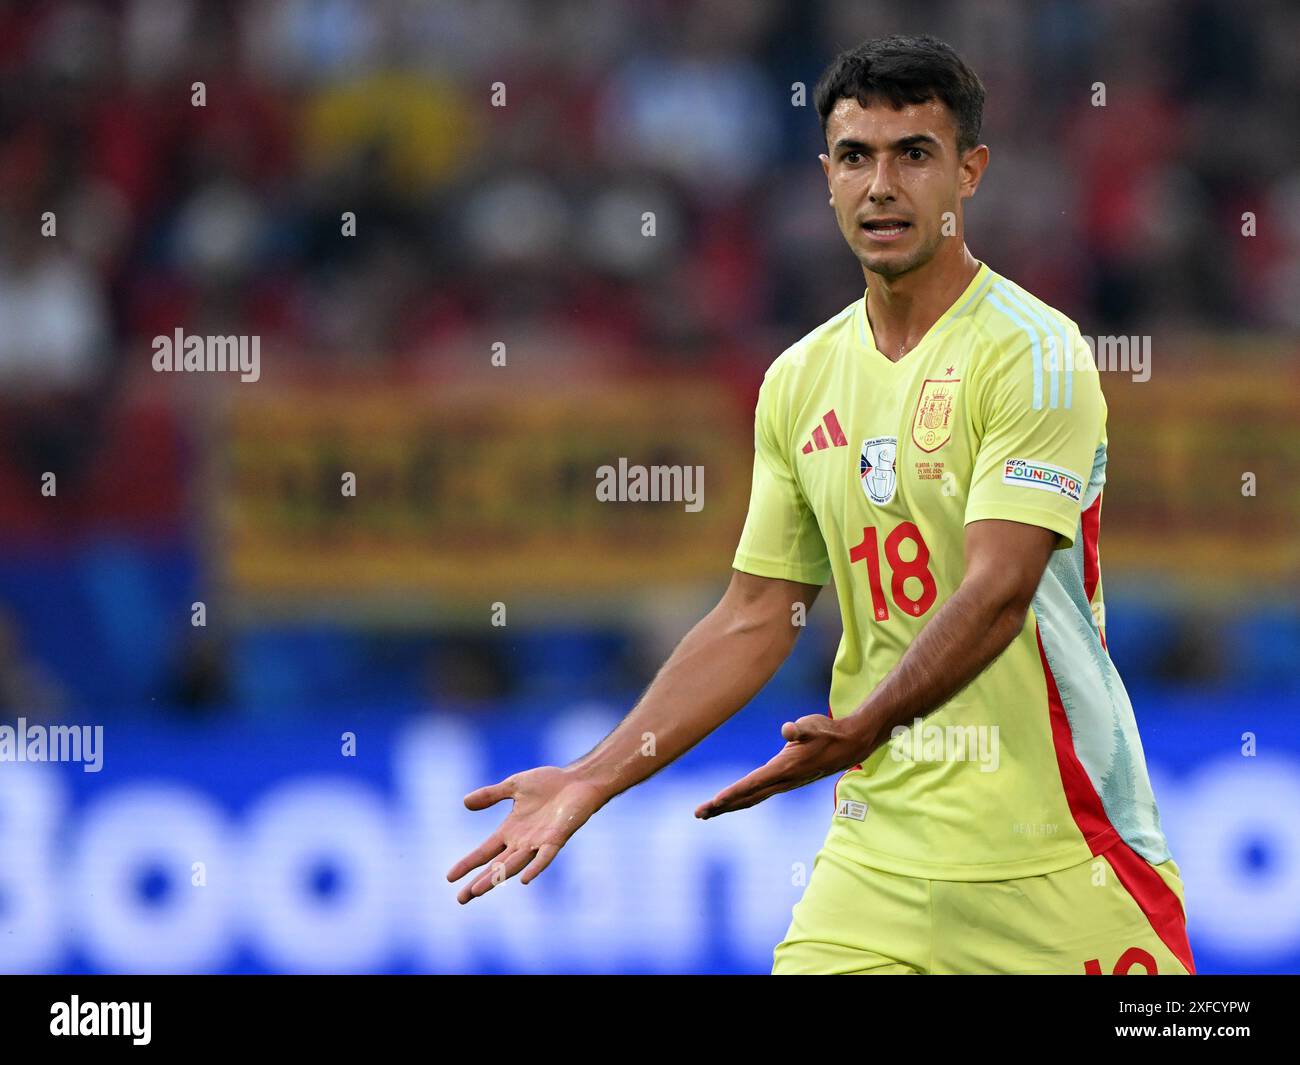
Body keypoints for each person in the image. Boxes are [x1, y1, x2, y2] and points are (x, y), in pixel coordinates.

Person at [447, 34, 1194, 976]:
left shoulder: (1034, 353)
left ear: (971, 172)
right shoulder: (799, 380)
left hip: (1064, 858)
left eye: (913, 155)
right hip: (874, 865)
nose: (881, 186)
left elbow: (1001, 590)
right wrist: (596, 775)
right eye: (856, 157)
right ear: (826, 179)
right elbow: (757, 614)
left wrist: (867, 720)